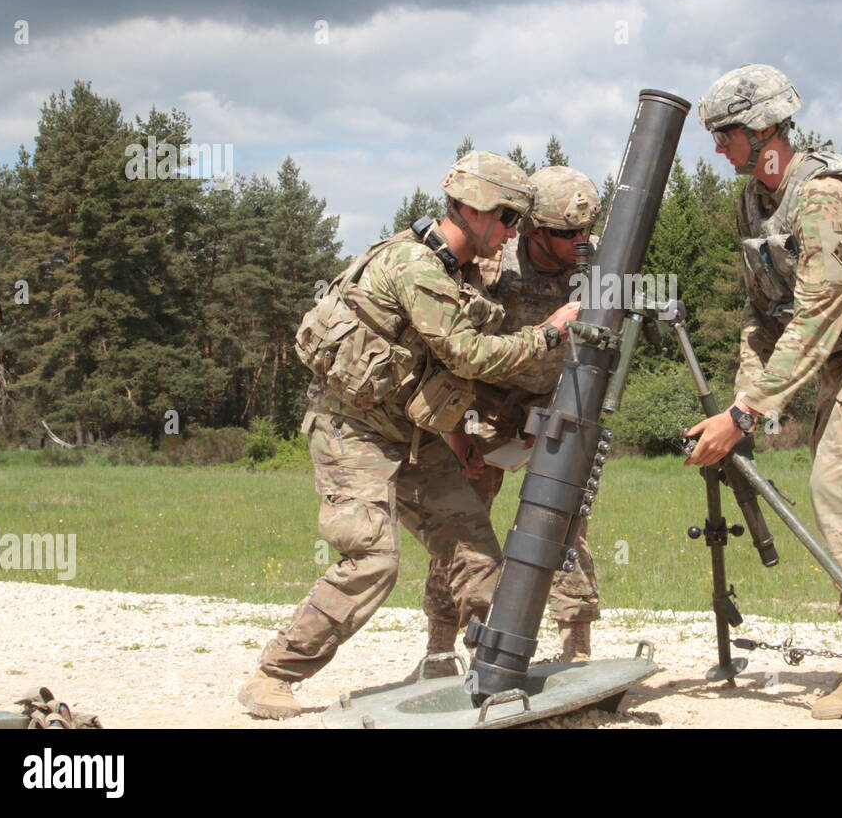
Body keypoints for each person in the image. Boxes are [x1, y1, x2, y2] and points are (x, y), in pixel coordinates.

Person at [237, 152, 579, 719]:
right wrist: (549, 333)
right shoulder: (414, 266)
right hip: (352, 431)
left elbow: (430, 371)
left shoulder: (458, 272)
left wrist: (458, 434)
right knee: (373, 559)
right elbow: (468, 355)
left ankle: (497, 673)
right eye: (509, 219)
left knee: (477, 556)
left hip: (415, 436)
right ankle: (274, 675)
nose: (513, 233)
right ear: (474, 208)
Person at [684, 64, 842, 719]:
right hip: (840, 356)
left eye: (725, 135)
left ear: (762, 128)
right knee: (837, 485)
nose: (718, 148)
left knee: (841, 478)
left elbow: (821, 310)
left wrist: (746, 415)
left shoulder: (825, 194)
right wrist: (740, 407)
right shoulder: (753, 203)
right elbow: (762, 317)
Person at [418, 165, 603, 673]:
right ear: (533, 227)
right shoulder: (494, 263)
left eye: (586, 230)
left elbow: (604, 354)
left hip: (561, 399)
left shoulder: (601, 263)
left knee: (566, 522)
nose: (580, 242)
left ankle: (575, 644)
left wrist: (551, 410)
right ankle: (440, 646)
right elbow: (454, 355)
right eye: (567, 234)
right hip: (484, 404)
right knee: (461, 522)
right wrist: (458, 432)